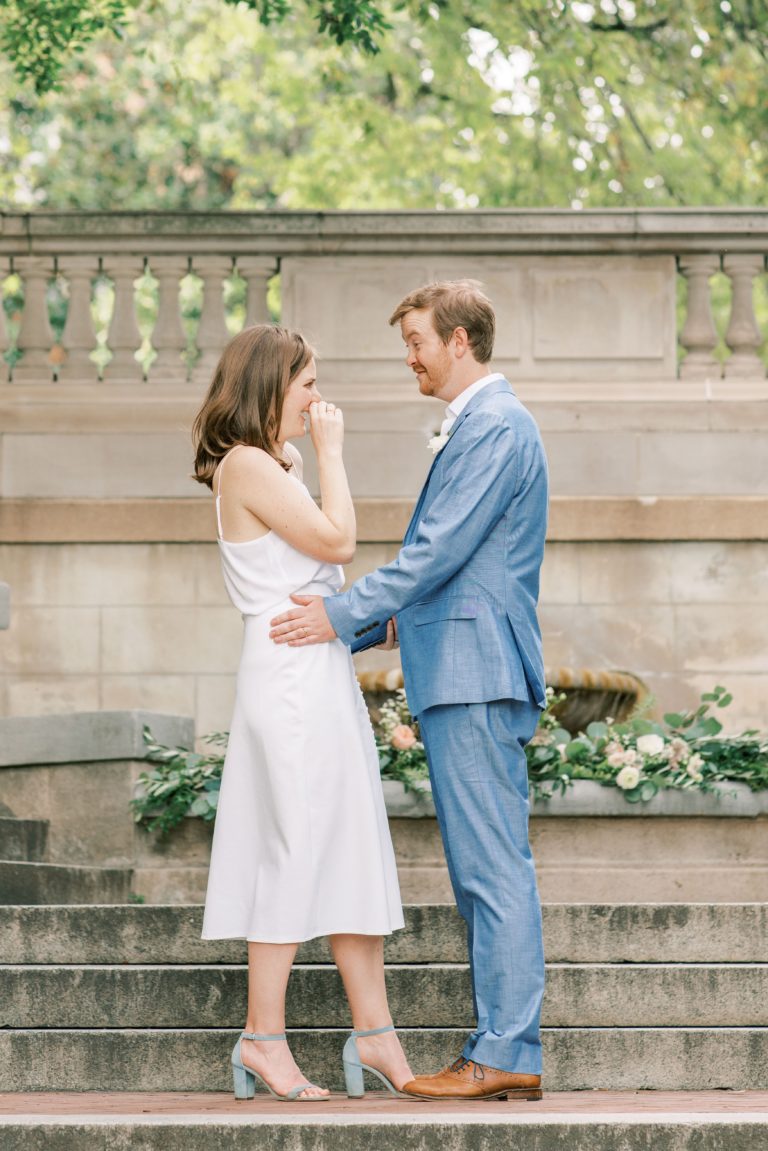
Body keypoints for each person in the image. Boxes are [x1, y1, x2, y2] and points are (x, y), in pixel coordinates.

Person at [269, 280, 548, 1102]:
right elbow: (457, 566)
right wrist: (370, 627)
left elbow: (435, 552)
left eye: (419, 340)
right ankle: (504, 1045)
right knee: (482, 870)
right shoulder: (486, 425)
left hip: (474, 674)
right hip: (460, 663)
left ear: (460, 340)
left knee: (492, 870)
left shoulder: (495, 425)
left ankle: (505, 1049)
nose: (410, 356)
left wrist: (337, 618)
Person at [192, 324, 412, 1103]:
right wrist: (335, 454)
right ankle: (262, 1038)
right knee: (291, 844)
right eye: (309, 383)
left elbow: (325, 571)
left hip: (319, 671)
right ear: (270, 385)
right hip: (286, 679)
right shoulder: (248, 464)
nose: (320, 399)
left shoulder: (276, 463)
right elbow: (341, 541)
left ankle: (377, 1032)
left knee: (349, 841)